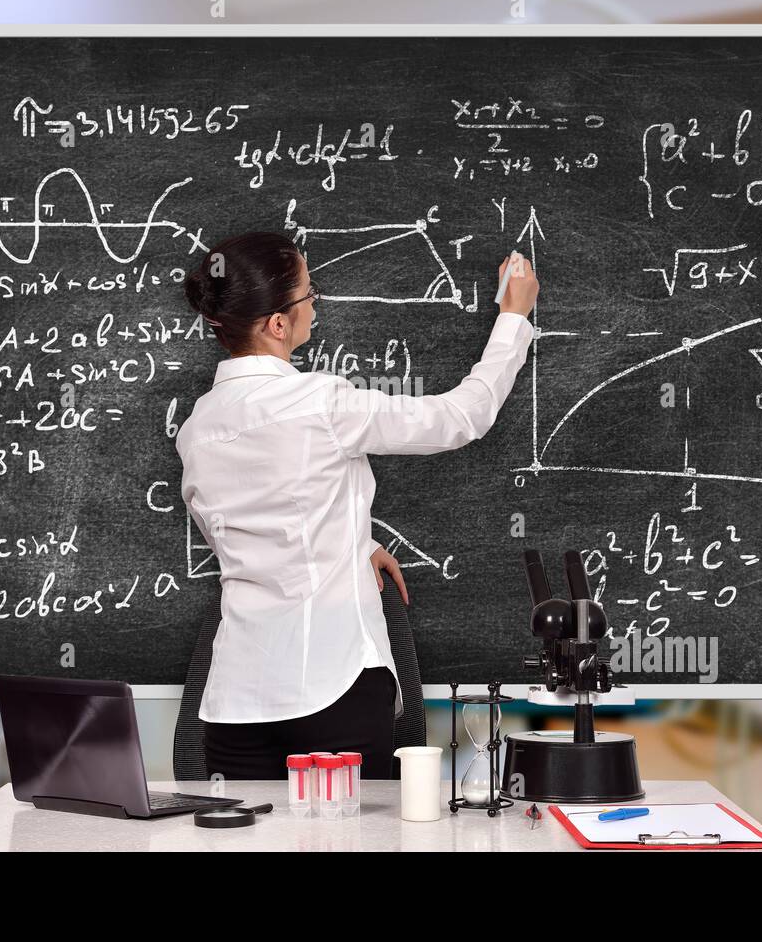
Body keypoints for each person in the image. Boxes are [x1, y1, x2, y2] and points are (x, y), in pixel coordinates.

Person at [177, 230, 539, 780]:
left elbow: (250, 533)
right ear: (278, 324)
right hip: (334, 684)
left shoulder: (197, 428)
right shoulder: (320, 403)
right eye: (308, 293)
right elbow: (460, 417)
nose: (314, 304)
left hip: (237, 699)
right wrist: (513, 318)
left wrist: (354, 543)